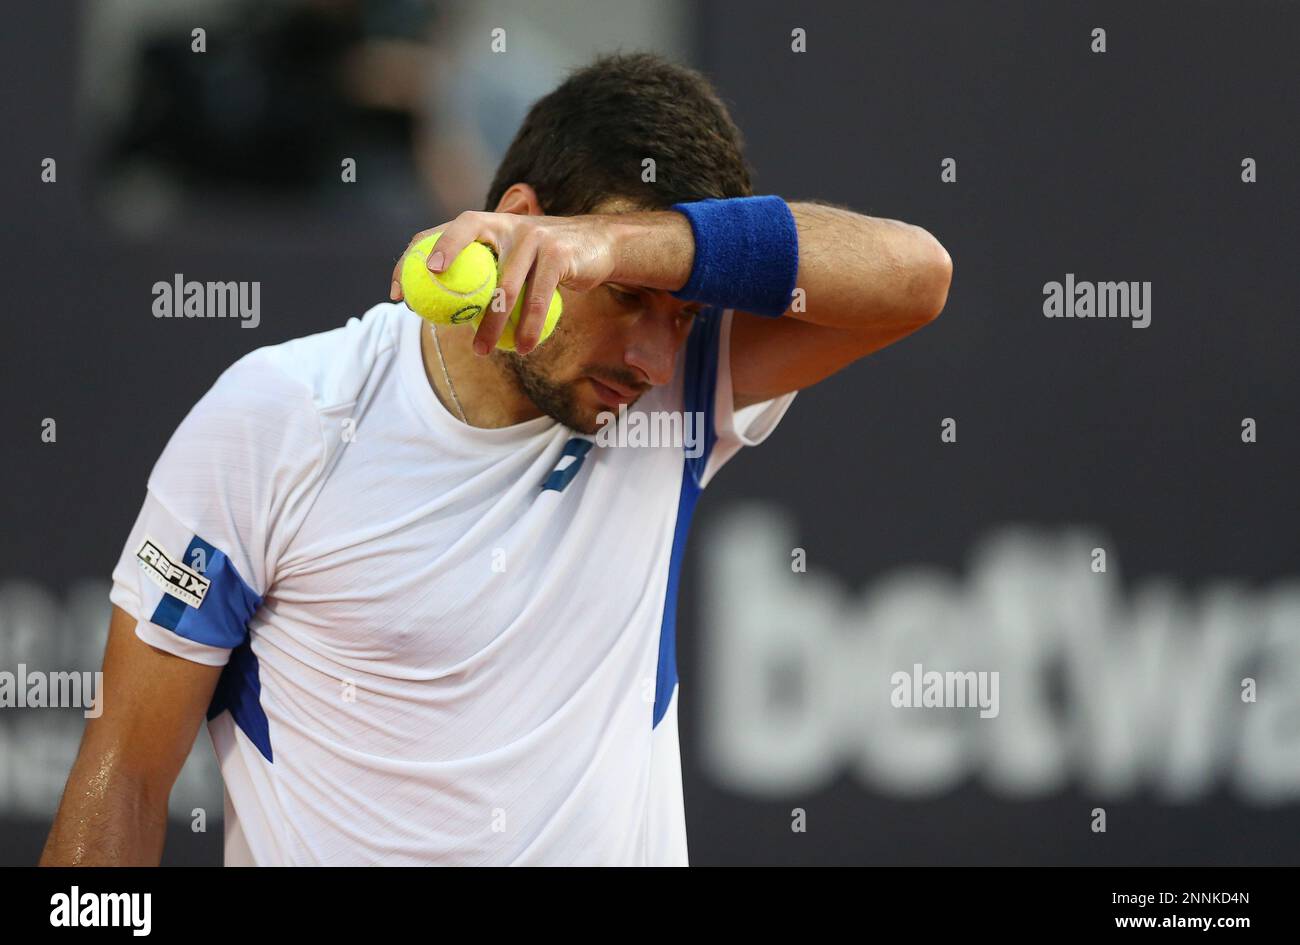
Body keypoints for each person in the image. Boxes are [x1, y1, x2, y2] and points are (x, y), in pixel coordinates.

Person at [42, 52, 951, 866]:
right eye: (627, 297)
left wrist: (627, 253)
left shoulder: (677, 395)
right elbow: (123, 775)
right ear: (519, 223)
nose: (654, 358)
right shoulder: (281, 417)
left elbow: (916, 278)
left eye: (681, 309)